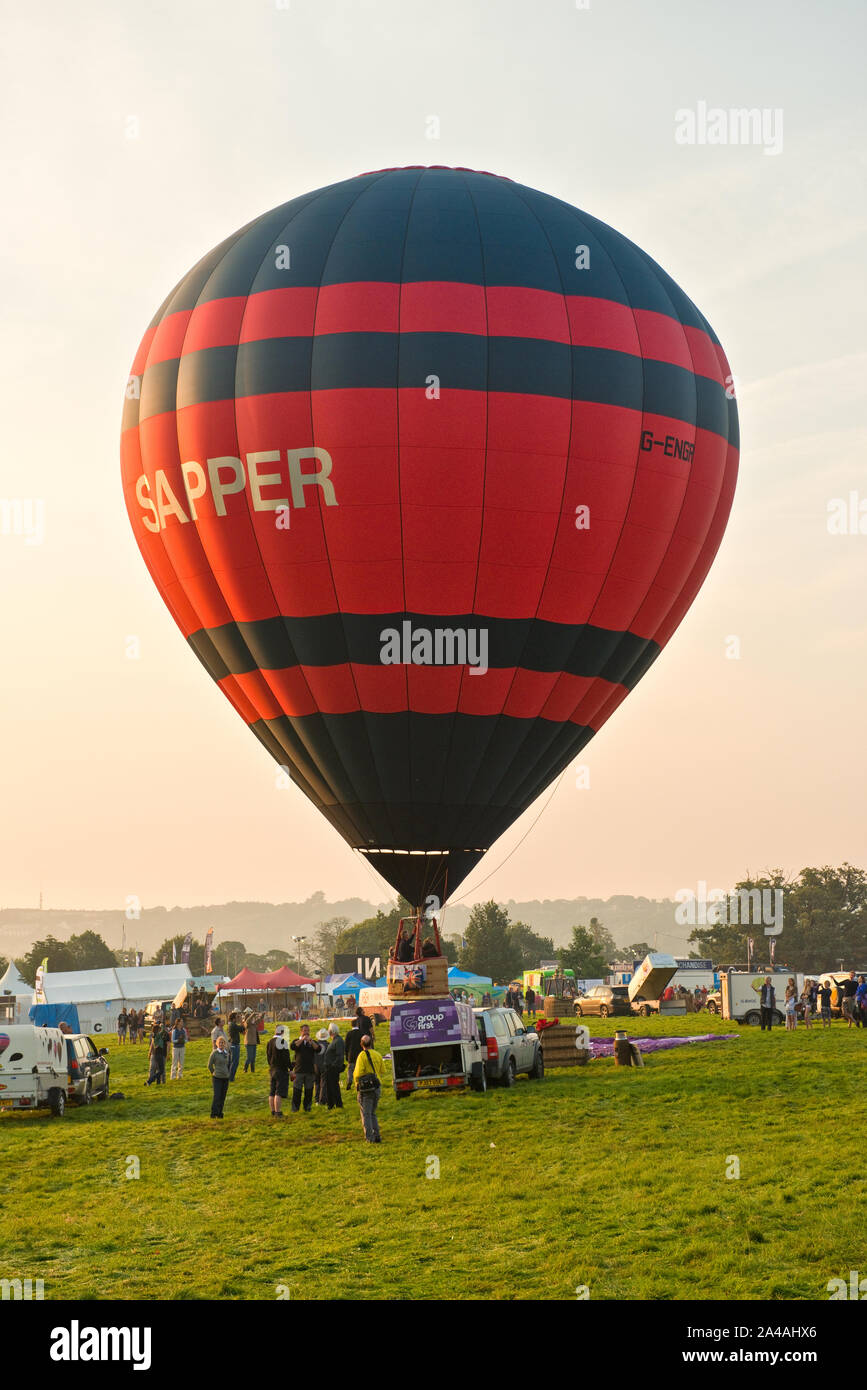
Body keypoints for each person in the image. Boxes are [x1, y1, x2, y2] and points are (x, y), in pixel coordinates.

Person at [354, 1033, 384, 1143]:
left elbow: (358, 1073)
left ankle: (369, 1138)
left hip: (365, 1089)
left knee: (366, 1114)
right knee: (372, 1113)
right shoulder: (377, 1054)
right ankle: (377, 1136)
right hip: (377, 1086)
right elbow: (383, 1070)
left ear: (361, 1044)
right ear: (371, 1043)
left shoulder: (362, 1055)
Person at [290, 1024, 321, 1112]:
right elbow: (293, 1047)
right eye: (305, 1031)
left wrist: (311, 1042)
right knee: (297, 1091)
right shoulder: (297, 1041)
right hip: (299, 1070)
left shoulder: (312, 1042)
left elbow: (318, 1049)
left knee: (309, 1091)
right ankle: (295, 1108)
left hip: (310, 1071)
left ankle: (307, 1107)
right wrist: (302, 1039)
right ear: (301, 1032)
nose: (306, 1033)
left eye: (308, 1031)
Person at [266, 1024, 292, 1117]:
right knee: (279, 1091)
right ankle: (278, 1112)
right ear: (282, 1032)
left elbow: (268, 1056)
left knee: (272, 1091)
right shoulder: (282, 1042)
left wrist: (271, 1065)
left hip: (272, 1068)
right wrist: (290, 1068)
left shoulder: (270, 1042)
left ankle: (272, 1111)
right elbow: (286, 1057)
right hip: (281, 1069)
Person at [208, 1036, 231, 1118]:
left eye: (223, 1042)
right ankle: (214, 1113)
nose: (221, 1044)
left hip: (225, 1078)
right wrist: (213, 1072)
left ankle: (220, 1113)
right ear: (217, 1044)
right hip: (217, 1077)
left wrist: (228, 1073)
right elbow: (209, 1065)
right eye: (220, 1043)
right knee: (217, 1096)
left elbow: (228, 1064)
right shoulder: (214, 1053)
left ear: (225, 1044)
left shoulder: (227, 1053)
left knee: (223, 1096)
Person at [324, 1022, 345, 1109]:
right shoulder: (336, 1040)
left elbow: (339, 1055)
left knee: (333, 1086)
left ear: (331, 1031)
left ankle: (337, 1104)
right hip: (330, 1067)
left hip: (332, 1068)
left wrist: (333, 1066)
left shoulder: (338, 1041)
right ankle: (331, 1104)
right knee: (330, 1086)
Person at [145, 1019, 169, 1085]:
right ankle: (149, 1081)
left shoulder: (155, 1035)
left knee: (159, 1069)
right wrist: (163, 1026)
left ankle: (157, 1083)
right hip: (159, 1054)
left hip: (157, 1054)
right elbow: (163, 1030)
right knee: (161, 1070)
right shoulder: (157, 1035)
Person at [344, 1017, 362, 1090]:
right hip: (360, 1055)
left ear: (351, 1025)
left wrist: (346, 1055)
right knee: (359, 1070)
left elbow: (346, 1046)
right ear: (357, 1024)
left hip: (351, 1055)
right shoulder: (361, 1033)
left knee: (350, 1069)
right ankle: (358, 1083)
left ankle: (349, 1080)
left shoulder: (349, 1034)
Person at [314, 1028, 330, 1105]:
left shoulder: (315, 1045)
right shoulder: (328, 1045)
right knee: (323, 1083)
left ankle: (316, 1099)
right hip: (324, 1065)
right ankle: (322, 1100)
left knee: (317, 1083)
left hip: (316, 1065)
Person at [226, 1012, 243, 1081]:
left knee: (230, 1061)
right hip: (234, 1045)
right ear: (233, 1018)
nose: (237, 1018)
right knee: (235, 1062)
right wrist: (242, 1020)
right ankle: (231, 1078)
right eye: (236, 1017)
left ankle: (227, 1076)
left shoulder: (231, 1024)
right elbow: (242, 1028)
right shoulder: (233, 1025)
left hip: (231, 1044)